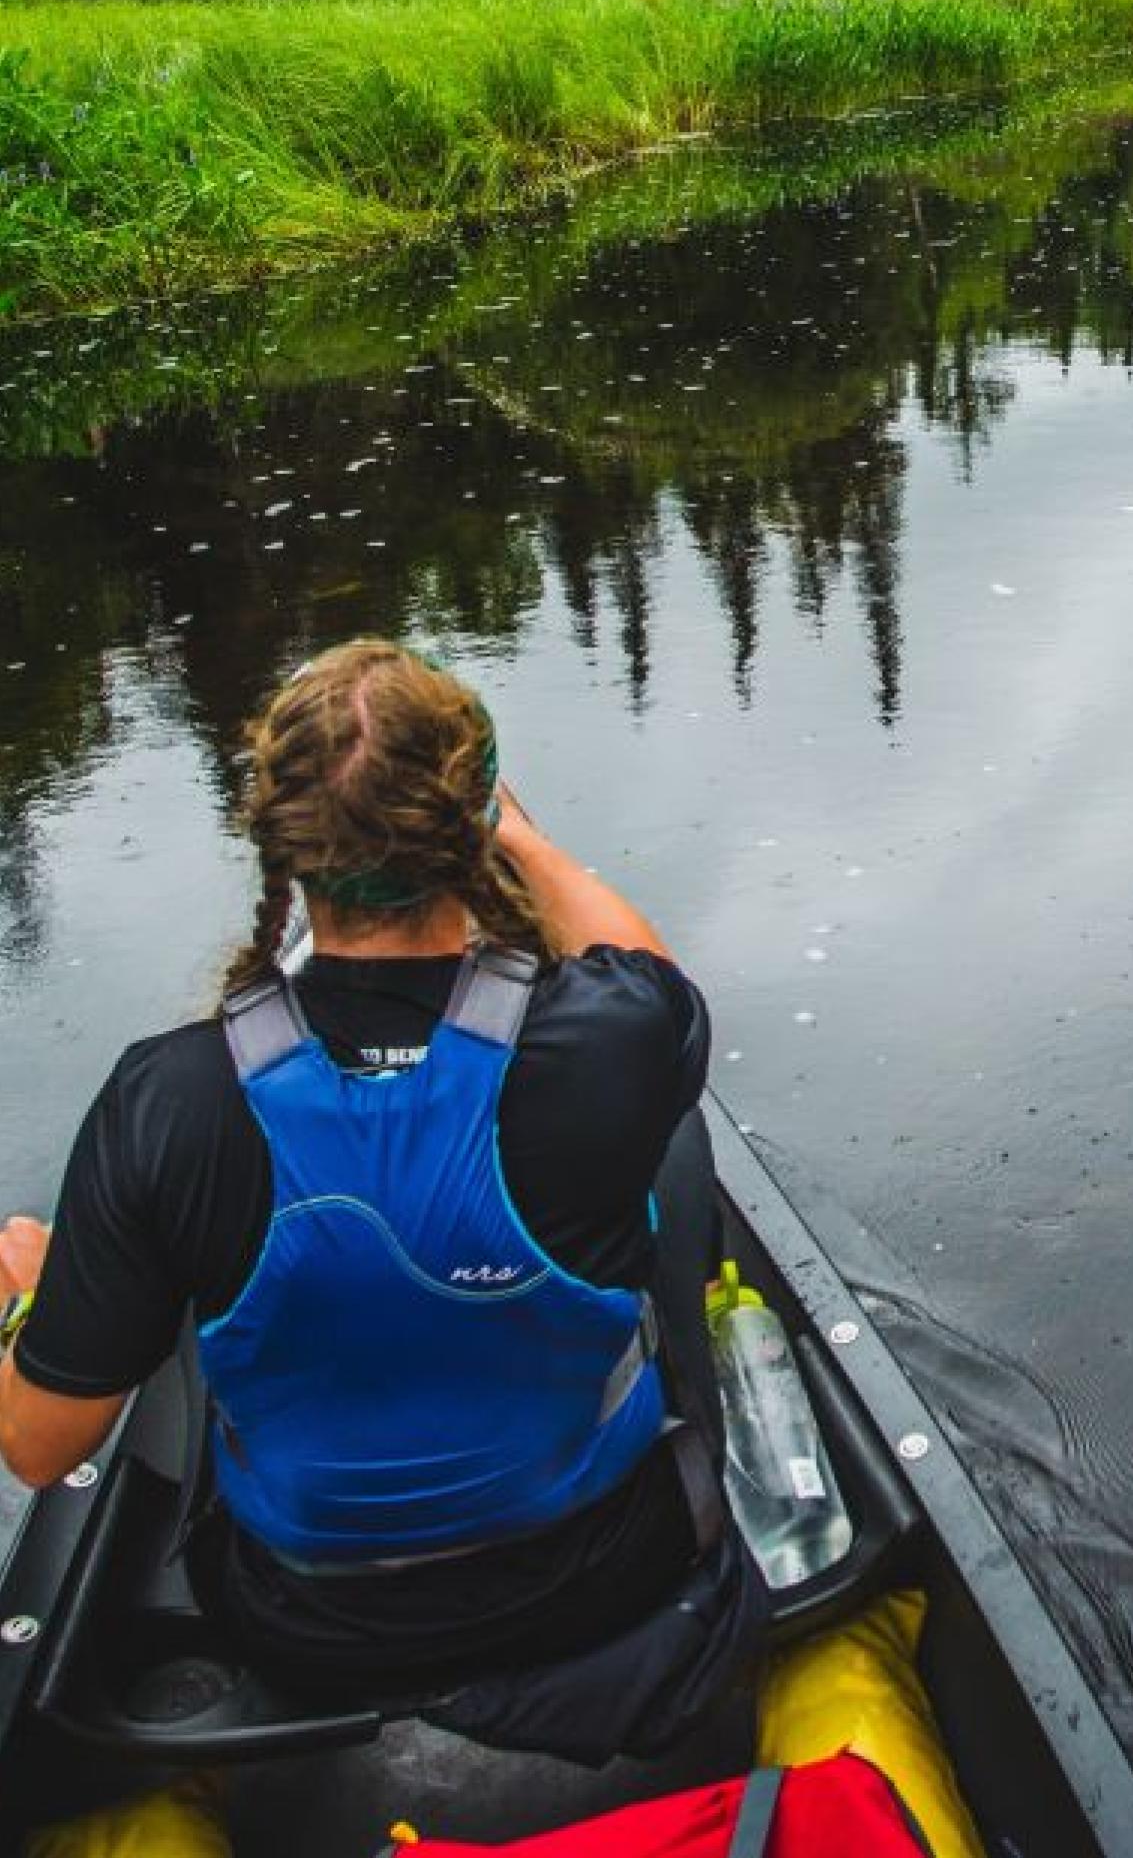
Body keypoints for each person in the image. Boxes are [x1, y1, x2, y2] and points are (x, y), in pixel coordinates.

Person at [0, 639, 756, 1735]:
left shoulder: (170, 1098)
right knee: (672, 1145)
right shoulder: (607, 1043)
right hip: (605, 1573)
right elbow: (650, 975)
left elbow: (36, 1448)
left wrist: (32, 1297)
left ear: (279, 841)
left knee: (185, 1257)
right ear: (466, 821)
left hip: (304, 1620)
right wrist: (517, 835)